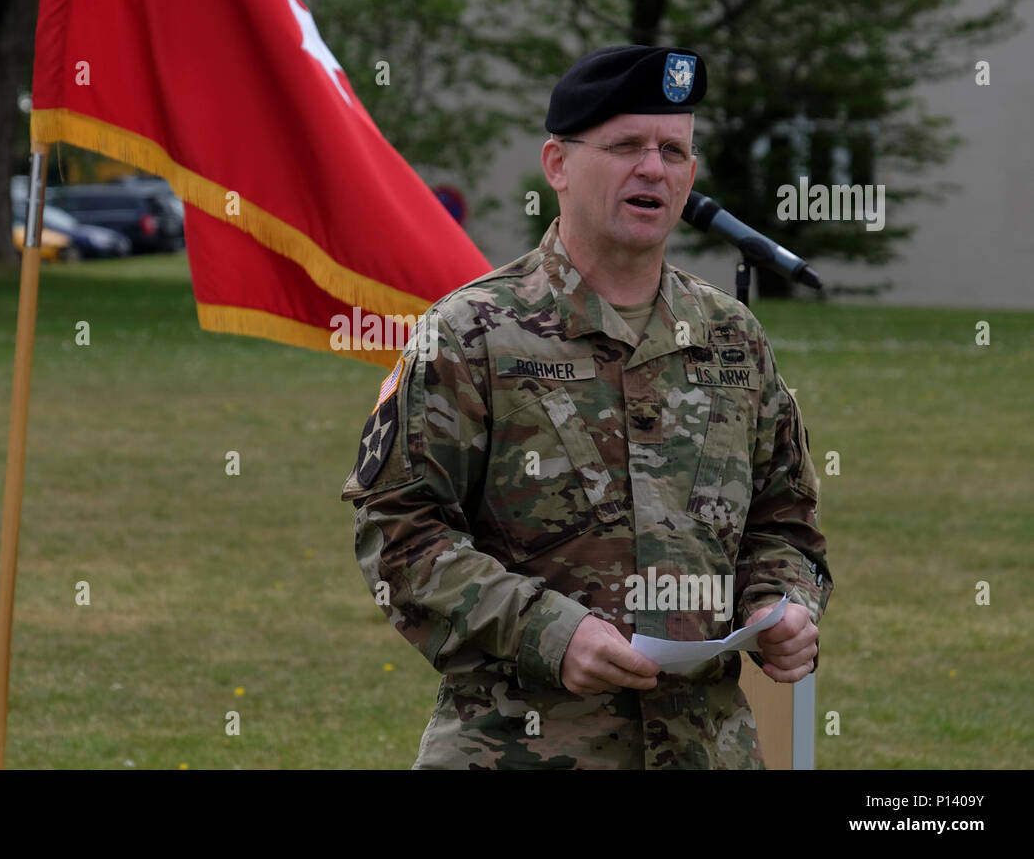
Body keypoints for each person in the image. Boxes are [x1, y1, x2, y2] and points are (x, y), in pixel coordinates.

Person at [340, 45, 833, 769]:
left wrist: (783, 606)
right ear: (558, 164)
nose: (653, 169)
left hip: (707, 749)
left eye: (673, 150)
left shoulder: (732, 338)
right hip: (519, 748)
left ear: (691, 175)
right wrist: (548, 631)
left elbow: (784, 523)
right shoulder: (472, 332)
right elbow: (397, 531)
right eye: (627, 145)